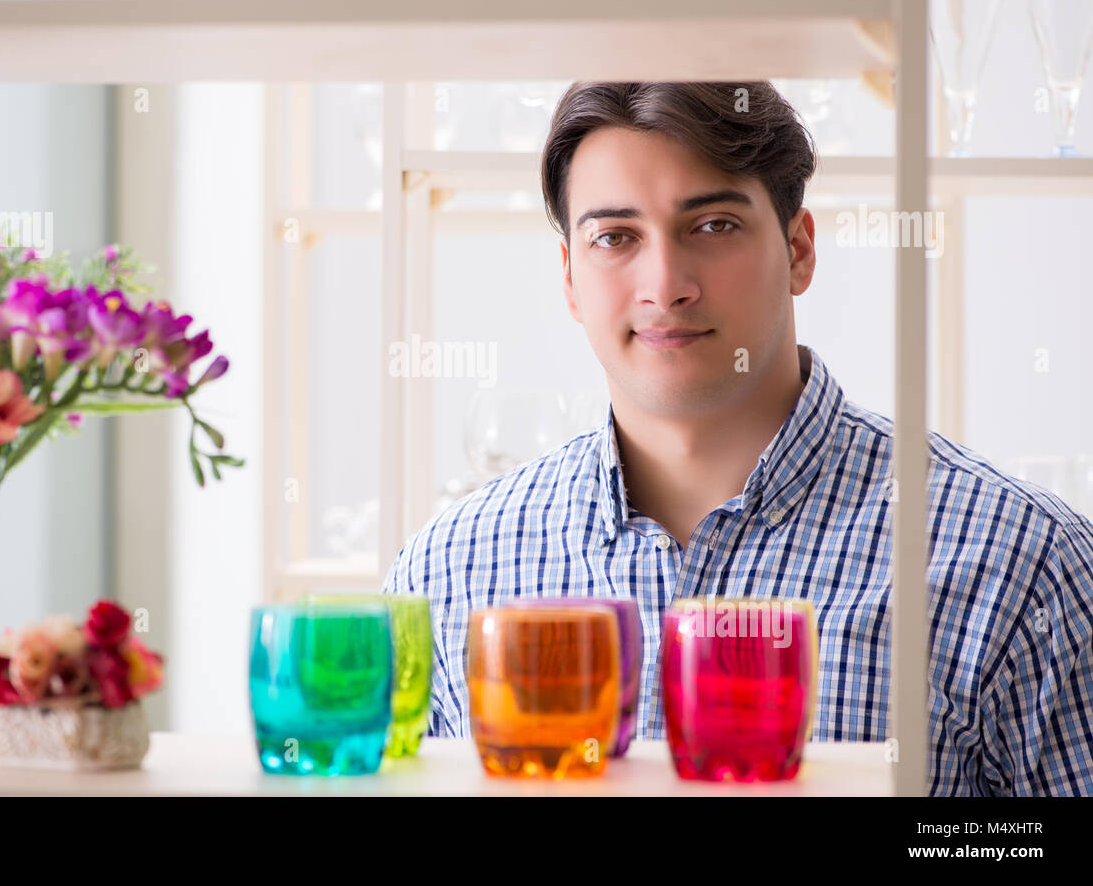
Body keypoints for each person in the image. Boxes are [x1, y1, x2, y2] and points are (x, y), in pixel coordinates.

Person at [381, 80, 1093, 796]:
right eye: (614, 237)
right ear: (570, 278)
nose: (665, 284)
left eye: (713, 224)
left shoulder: (1024, 566)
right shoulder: (446, 576)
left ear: (799, 249)